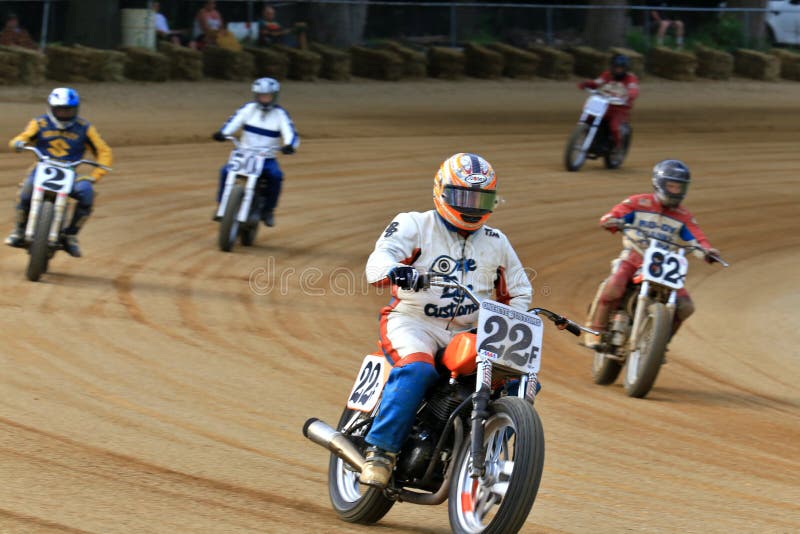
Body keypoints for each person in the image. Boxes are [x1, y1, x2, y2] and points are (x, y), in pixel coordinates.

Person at [359, 153, 533, 488]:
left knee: (511, 381)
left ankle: (490, 450)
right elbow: (378, 259)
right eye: (463, 196)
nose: (471, 206)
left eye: (480, 199)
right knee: (418, 368)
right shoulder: (413, 224)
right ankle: (380, 451)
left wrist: (517, 316)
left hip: (470, 332)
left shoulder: (497, 241)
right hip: (413, 322)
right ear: (441, 191)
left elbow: (519, 290)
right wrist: (397, 271)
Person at [585, 160, 720, 349]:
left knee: (685, 306)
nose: (675, 191)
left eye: (679, 187)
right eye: (671, 186)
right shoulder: (638, 202)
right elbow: (617, 214)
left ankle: (659, 344)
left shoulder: (683, 216)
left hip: (664, 265)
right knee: (614, 285)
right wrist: (611, 220)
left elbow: (697, 238)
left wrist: (707, 251)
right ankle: (596, 331)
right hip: (634, 257)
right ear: (659, 184)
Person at [6, 88, 113, 257]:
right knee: (26, 191)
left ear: (76, 109)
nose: (63, 113)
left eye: (68, 110)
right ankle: (19, 230)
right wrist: (18, 143)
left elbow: (104, 151)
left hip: (70, 172)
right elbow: (22, 137)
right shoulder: (39, 123)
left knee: (87, 193)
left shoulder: (85, 128)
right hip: (42, 168)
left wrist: (94, 176)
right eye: (59, 109)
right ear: (51, 107)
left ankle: (70, 235)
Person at [211, 78, 298, 227]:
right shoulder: (248, 109)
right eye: (261, 96)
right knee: (225, 171)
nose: (264, 99)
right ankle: (222, 205)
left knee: (276, 176)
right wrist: (223, 133)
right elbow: (234, 121)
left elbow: (290, 132)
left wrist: (290, 145)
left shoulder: (280, 114)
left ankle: (268, 210)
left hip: (267, 158)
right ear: (255, 96)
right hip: (244, 155)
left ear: (274, 96)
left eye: (267, 96)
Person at [577, 54, 639, 152]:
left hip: (619, 108)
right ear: (612, 66)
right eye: (616, 67)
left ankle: (617, 147)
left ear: (625, 68)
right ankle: (586, 137)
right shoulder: (607, 75)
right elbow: (596, 83)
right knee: (588, 115)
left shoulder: (630, 78)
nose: (618, 70)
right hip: (603, 104)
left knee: (614, 127)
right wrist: (586, 84)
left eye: (621, 68)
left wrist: (630, 95)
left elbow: (633, 89)